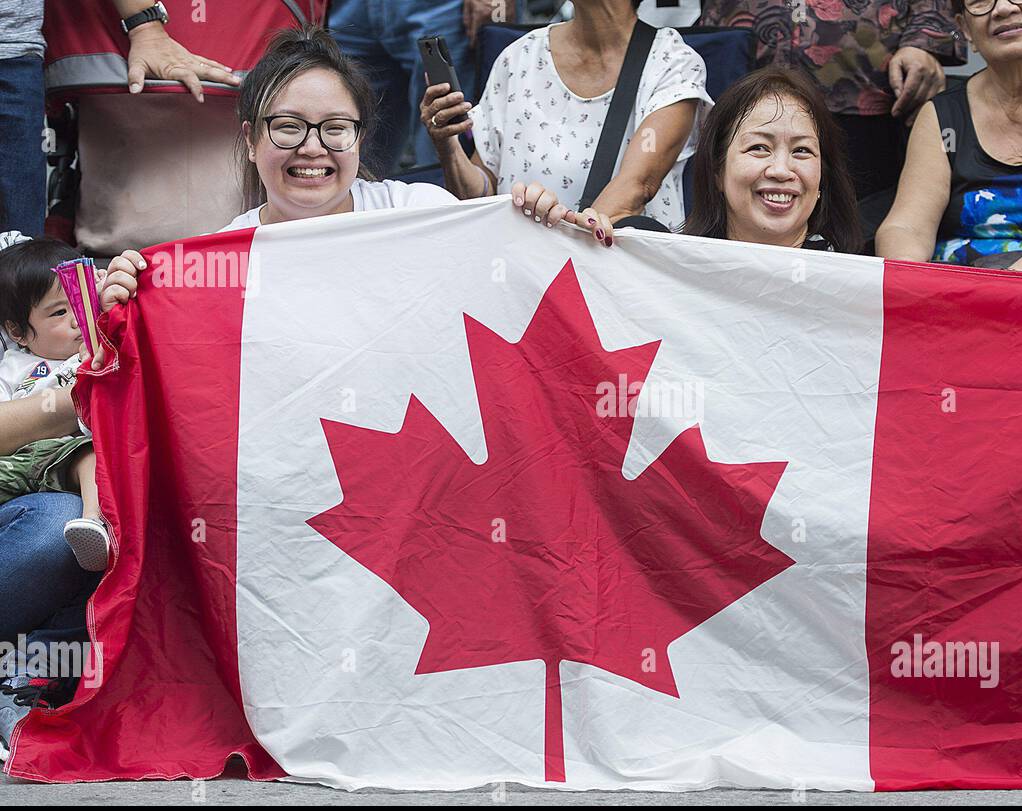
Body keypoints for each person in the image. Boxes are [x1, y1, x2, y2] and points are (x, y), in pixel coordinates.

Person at [97, 25, 605, 322]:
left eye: (336, 128)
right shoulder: (219, 260)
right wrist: (130, 303)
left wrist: (540, 229)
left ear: (361, 139)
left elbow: (519, 287)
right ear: (251, 141)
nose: (312, 148)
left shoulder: (420, 215)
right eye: (288, 127)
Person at [420, 0, 711, 233]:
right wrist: (447, 145)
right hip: (519, 280)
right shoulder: (519, 57)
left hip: (616, 282)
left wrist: (554, 260)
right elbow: (481, 196)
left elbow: (636, 187)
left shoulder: (673, 64)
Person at [0, 0, 240, 237]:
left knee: (17, 256)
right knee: (17, 250)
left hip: (12, 46)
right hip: (14, 50)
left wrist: (145, 27)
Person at [876, 0, 1022, 265]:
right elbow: (906, 227)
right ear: (965, 28)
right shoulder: (943, 116)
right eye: (981, 1)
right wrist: (908, 277)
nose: (1002, 9)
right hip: (961, 294)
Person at [697, 0, 967, 198]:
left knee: (858, 220)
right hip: (740, 76)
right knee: (738, 205)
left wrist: (922, 42)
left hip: (863, 91)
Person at [0, 239, 108, 572]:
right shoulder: (12, 366)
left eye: (82, 303)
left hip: (65, 457)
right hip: (19, 461)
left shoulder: (92, 353)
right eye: (60, 312)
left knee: (87, 455)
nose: (78, 320)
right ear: (17, 332)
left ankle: (94, 524)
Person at [682, 67, 861, 252]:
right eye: (759, 148)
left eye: (801, 150)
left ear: (822, 178)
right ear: (717, 171)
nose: (781, 171)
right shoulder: (670, 269)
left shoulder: (851, 279)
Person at [329, 0, 514, 177]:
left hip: (447, 10)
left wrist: (500, 5)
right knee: (342, 161)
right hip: (350, 9)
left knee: (446, 163)